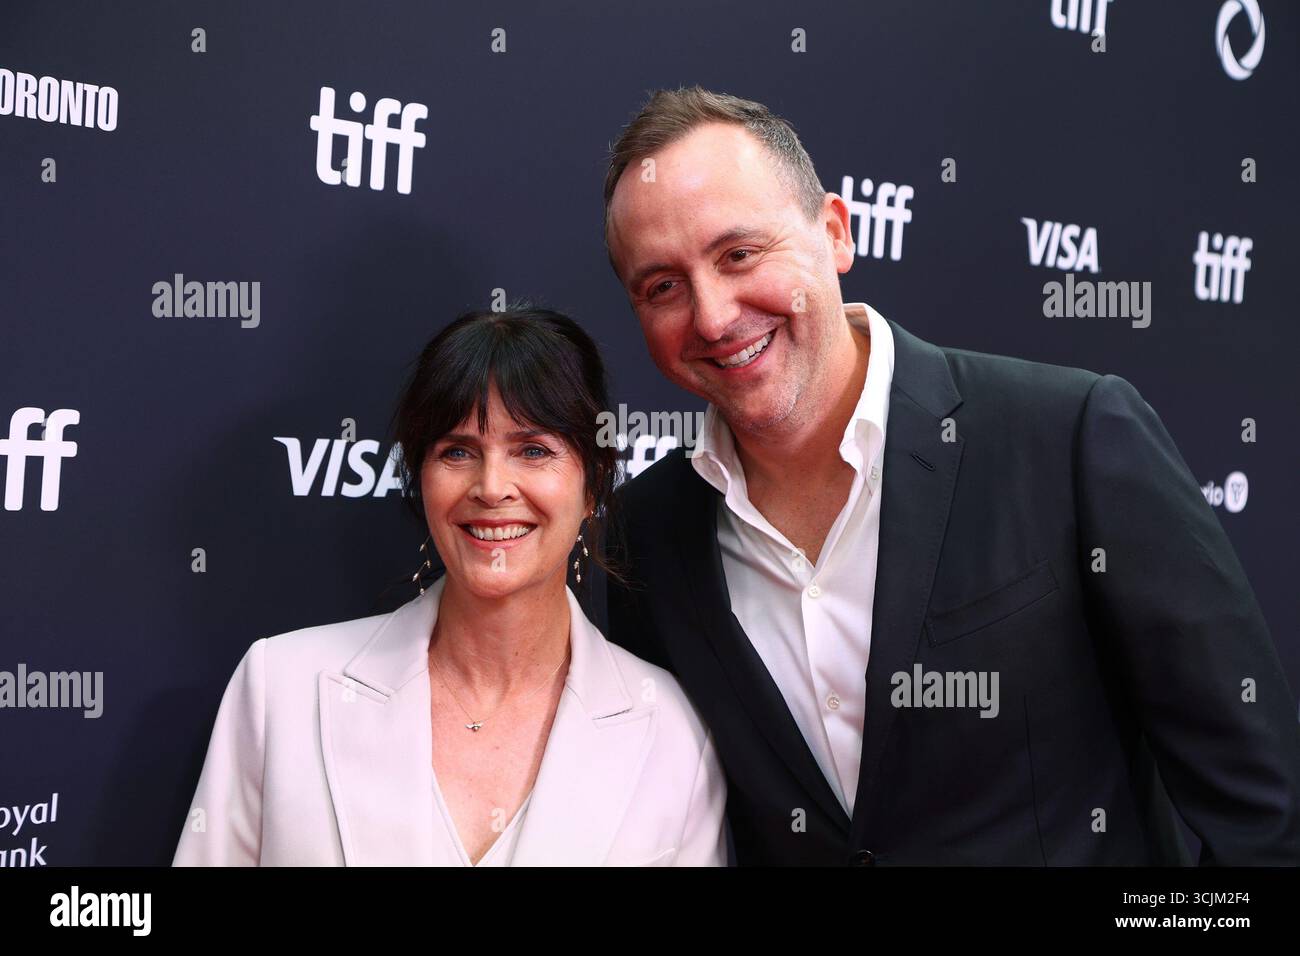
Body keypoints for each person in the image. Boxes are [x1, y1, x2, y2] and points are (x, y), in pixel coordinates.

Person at [601, 86, 1300, 866]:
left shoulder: (1067, 437)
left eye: (739, 255)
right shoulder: (639, 542)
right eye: (662, 287)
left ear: (835, 232)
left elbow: (1264, 819)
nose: (713, 316)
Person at [174, 305, 727, 866]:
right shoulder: (281, 688)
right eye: (458, 452)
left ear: (593, 485)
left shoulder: (674, 732)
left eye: (533, 451)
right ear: (421, 479)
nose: (492, 487)